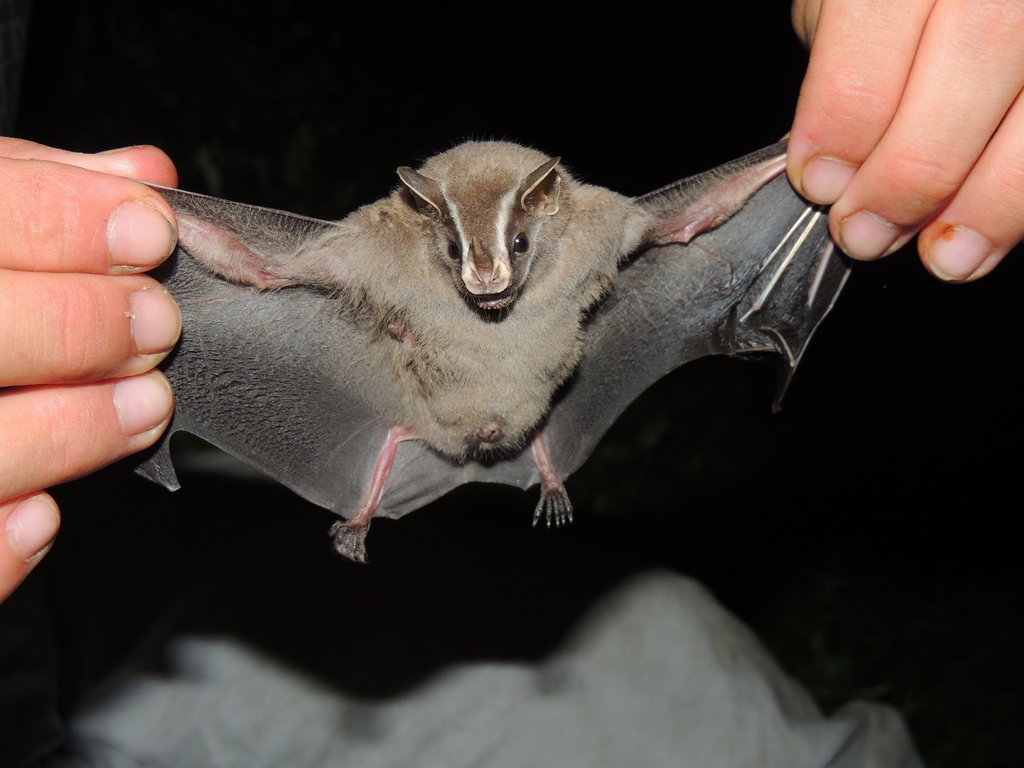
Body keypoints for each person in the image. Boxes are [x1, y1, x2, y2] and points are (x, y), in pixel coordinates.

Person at [2, 0, 1023, 602]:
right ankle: (374, 486)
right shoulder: (383, 243)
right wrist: (161, 227)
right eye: (461, 249)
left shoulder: (595, 222)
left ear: (546, 203)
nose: (486, 273)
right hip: (413, 419)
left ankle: (536, 457)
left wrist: (797, 169)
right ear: (423, 215)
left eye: (512, 246)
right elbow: (260, 271)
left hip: (536, 419)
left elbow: (693, 222)